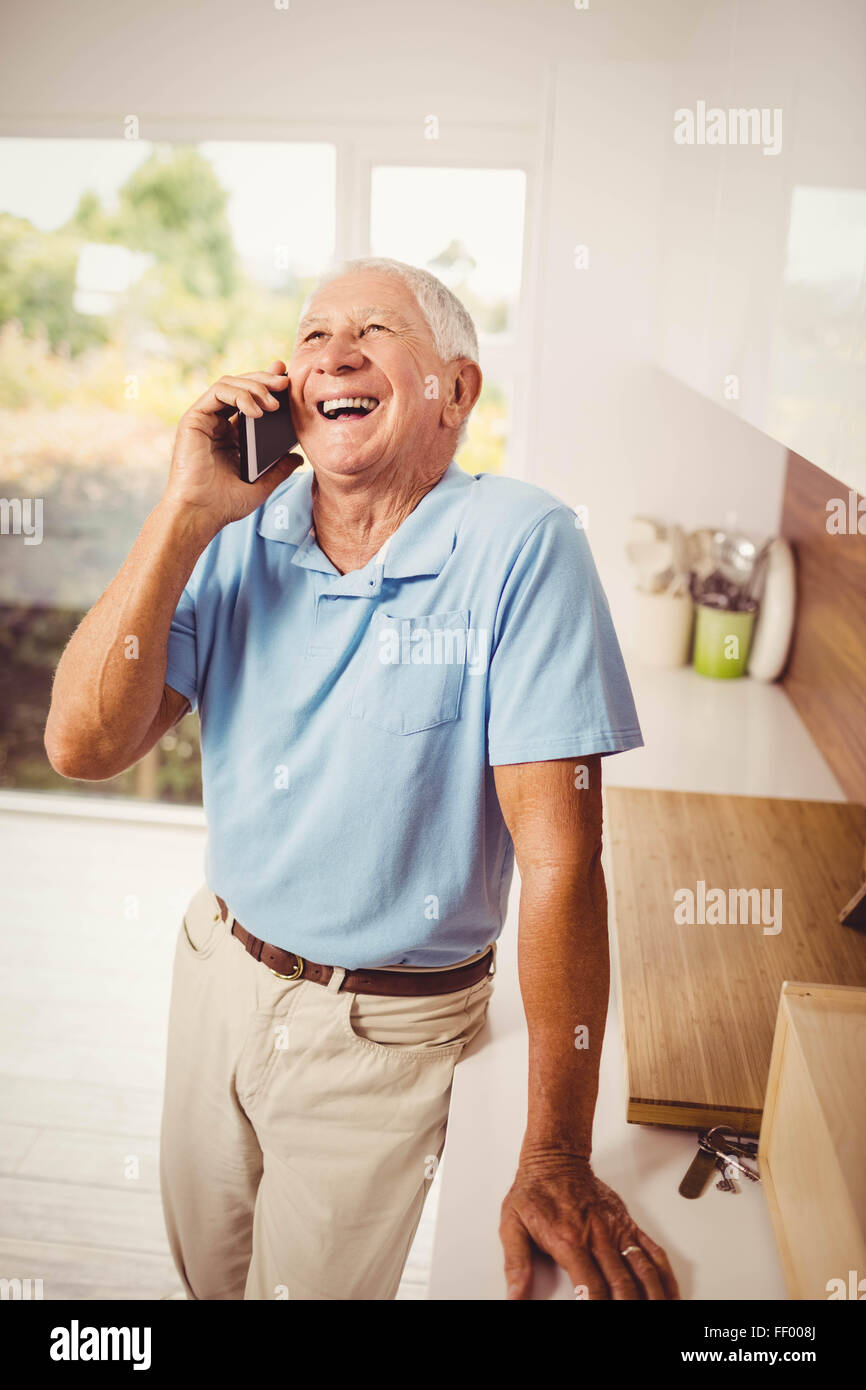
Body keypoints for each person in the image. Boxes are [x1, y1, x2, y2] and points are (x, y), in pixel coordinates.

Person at [45, 256, 678, 1301]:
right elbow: (83, 743)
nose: (331, 352)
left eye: (374, 332)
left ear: (456, 391)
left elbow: (562, 863)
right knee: (206, 1279)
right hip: (215, 975)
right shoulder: (236, 534)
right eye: (309, 335)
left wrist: (555, 1155)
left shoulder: (520, 544)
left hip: (381, 1034)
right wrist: (180, 514)